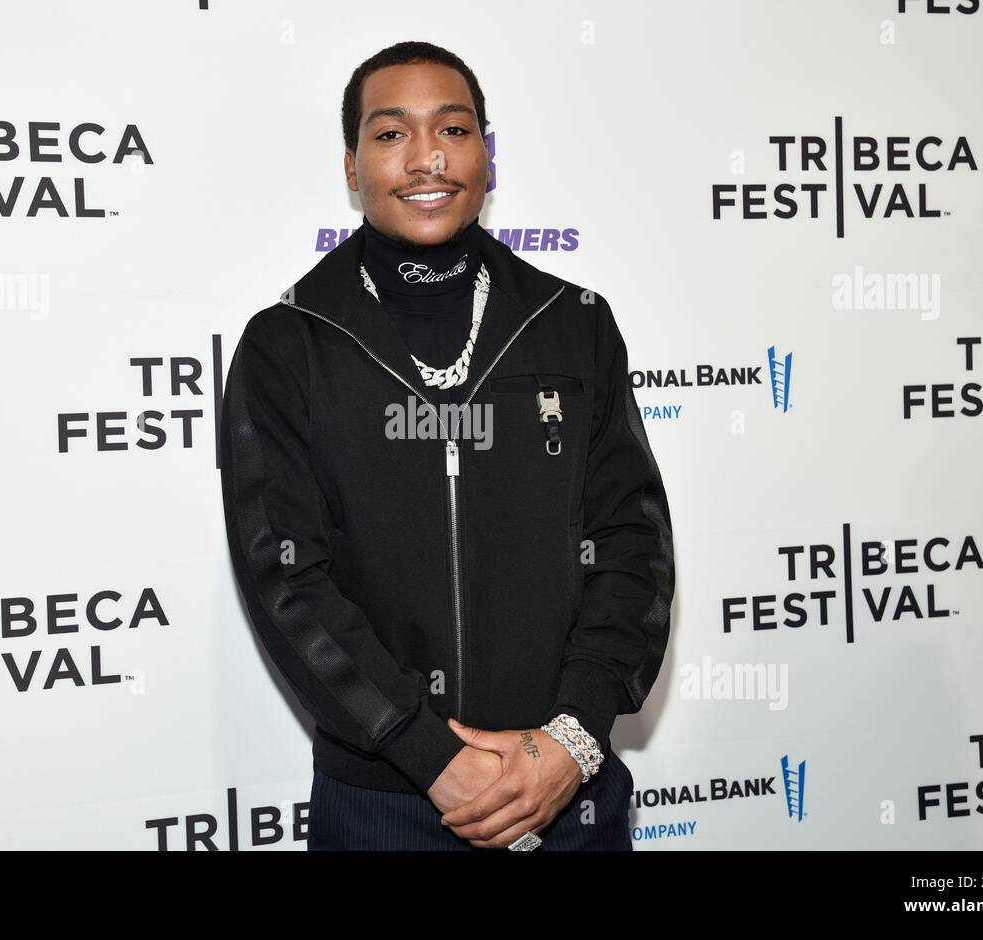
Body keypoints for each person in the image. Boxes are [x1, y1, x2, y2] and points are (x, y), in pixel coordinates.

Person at [219, 40, 675, 851]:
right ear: (352, 168)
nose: (427, 157)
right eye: (391, 134)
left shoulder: (574, 325)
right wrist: (427, 754)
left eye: (454, 130)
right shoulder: (288, 344)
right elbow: (285, 578)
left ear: (487, 156)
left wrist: (571, 739)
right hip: (383, 804)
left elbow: (631, 545)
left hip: (569, 790)